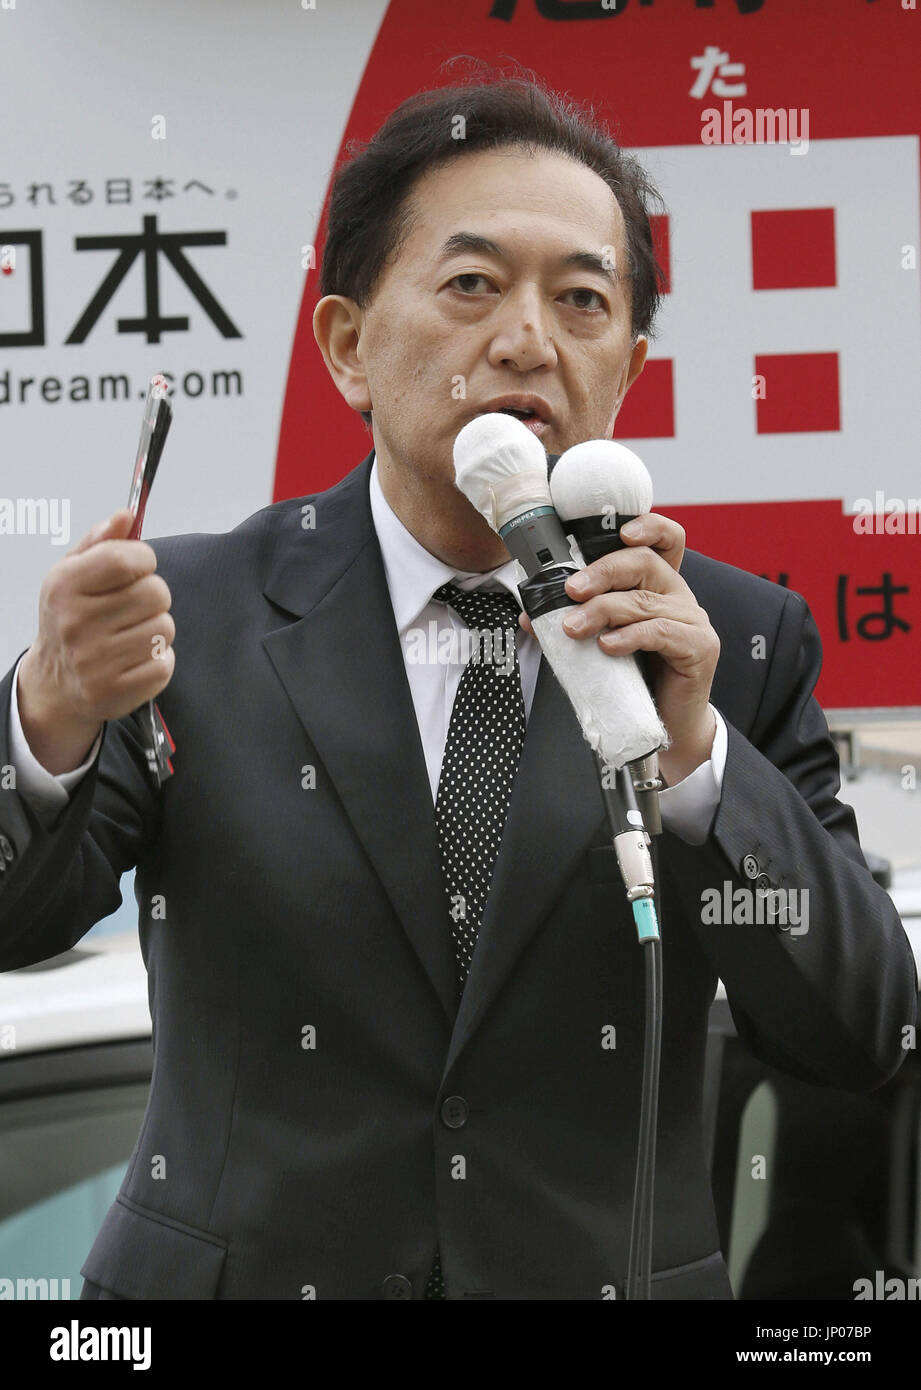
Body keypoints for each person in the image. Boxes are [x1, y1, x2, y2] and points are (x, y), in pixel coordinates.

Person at [0, 69, 916, 1301]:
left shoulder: (731, 642)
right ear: (348, 346)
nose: (529, 340)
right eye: (473, 284)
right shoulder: (193, 614)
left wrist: (695, 758)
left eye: (581, 300)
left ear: (629, 366)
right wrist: (49, 712)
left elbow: (855, 1031)